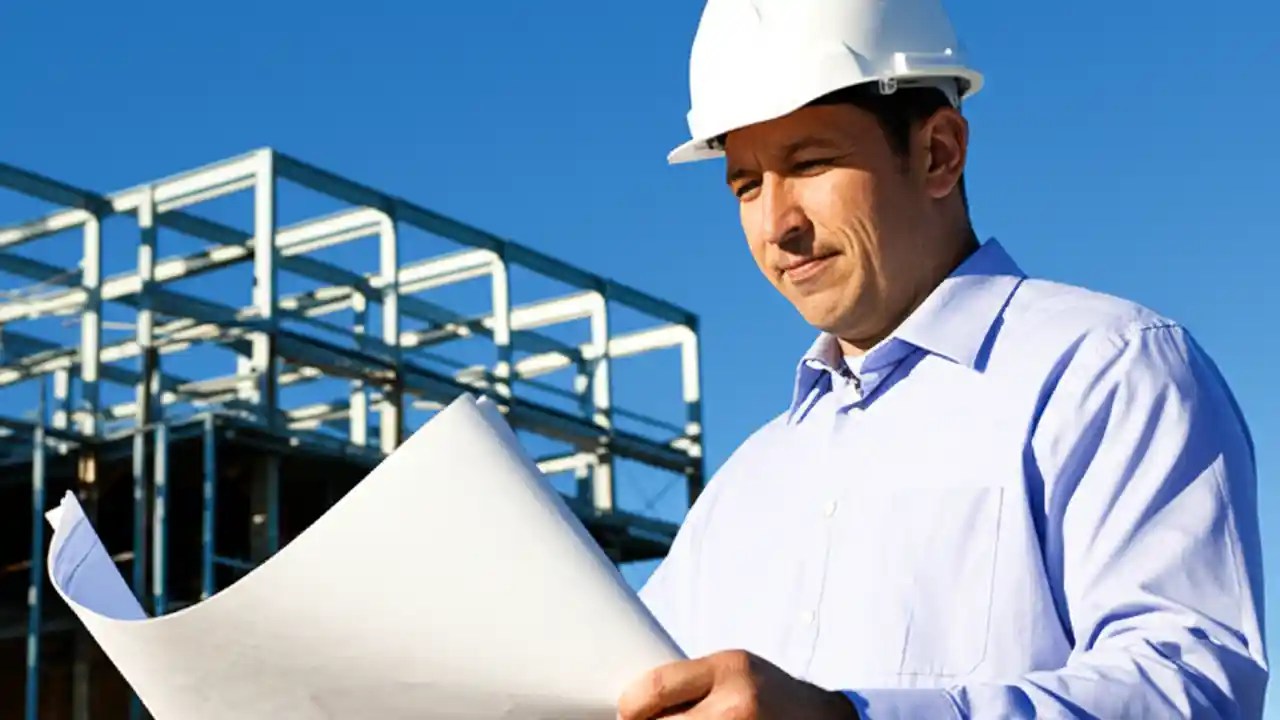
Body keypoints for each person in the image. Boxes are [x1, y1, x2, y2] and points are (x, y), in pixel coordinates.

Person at [614, 1, 1269, 718]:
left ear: (938, 154)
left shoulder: (1107, 374)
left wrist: (847, 717)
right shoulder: (741, 492)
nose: (778, 225)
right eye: (746, 185)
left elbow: (1190, 691)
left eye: (810, 163)